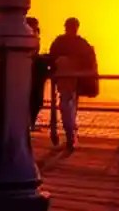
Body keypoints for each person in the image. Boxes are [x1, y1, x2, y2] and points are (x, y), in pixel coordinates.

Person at [48, 17, 98, 149]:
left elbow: (51, 58)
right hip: (72, 80)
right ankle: (70, 134)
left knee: (66, 104)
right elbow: (90, 61)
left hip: (66, 79)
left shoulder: (60, 42)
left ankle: (69, 133)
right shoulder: (81, 43)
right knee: (69, 105)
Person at [26, 16, 50, 131]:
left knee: (37, 100)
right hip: (30, 72)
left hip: (36, 72)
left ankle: (31, 123)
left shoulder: (35, 36)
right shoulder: (26, 36)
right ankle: (29, 123)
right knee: (32, 99)